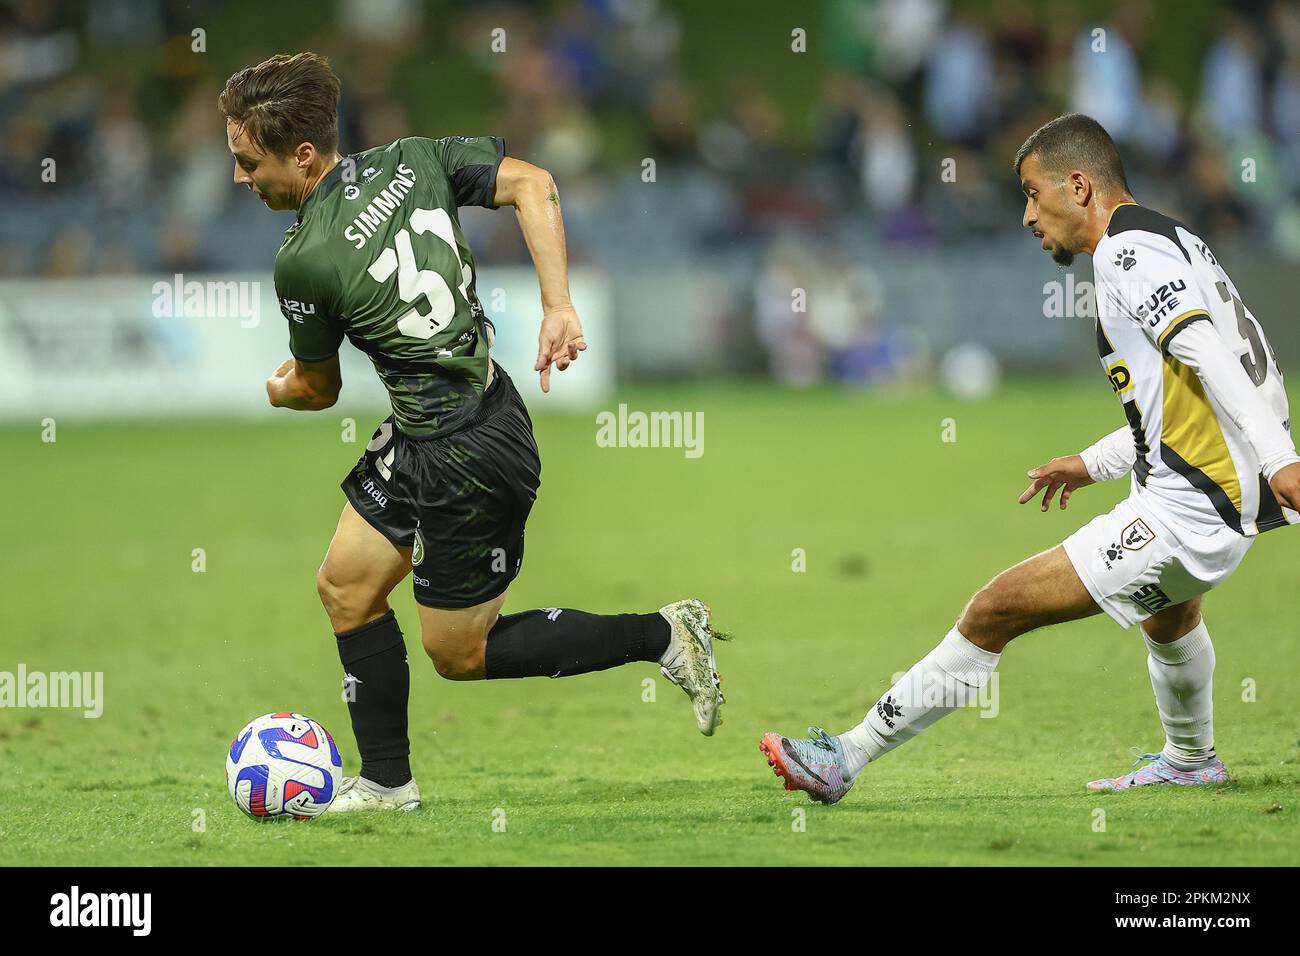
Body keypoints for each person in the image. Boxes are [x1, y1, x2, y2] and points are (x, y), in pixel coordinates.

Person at [220, 52, 727, 813]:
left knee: (458, 655)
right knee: (347, 589)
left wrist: (279, 388)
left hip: (466, 455)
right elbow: (534, 182)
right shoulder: (412, 159)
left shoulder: (305, 260)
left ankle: (660, 634)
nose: (239, 178)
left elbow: (316, 390)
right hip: (443, 424)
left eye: (246, 161)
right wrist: (559, 303)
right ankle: (388, 784)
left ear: (300, 154)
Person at [760, 113, 1299, 802]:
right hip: (1207, 492)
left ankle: (846, 757)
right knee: (1170, 612)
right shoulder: (1171, 239)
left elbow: (1208, 355)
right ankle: (1191, 760)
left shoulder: (1126, 257)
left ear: (1078, 186)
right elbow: (1186, 395)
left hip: (1191, 509)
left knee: (996, 608)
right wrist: (1094, 461)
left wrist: (1281, 459)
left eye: (1032, 193)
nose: (1026, 215)